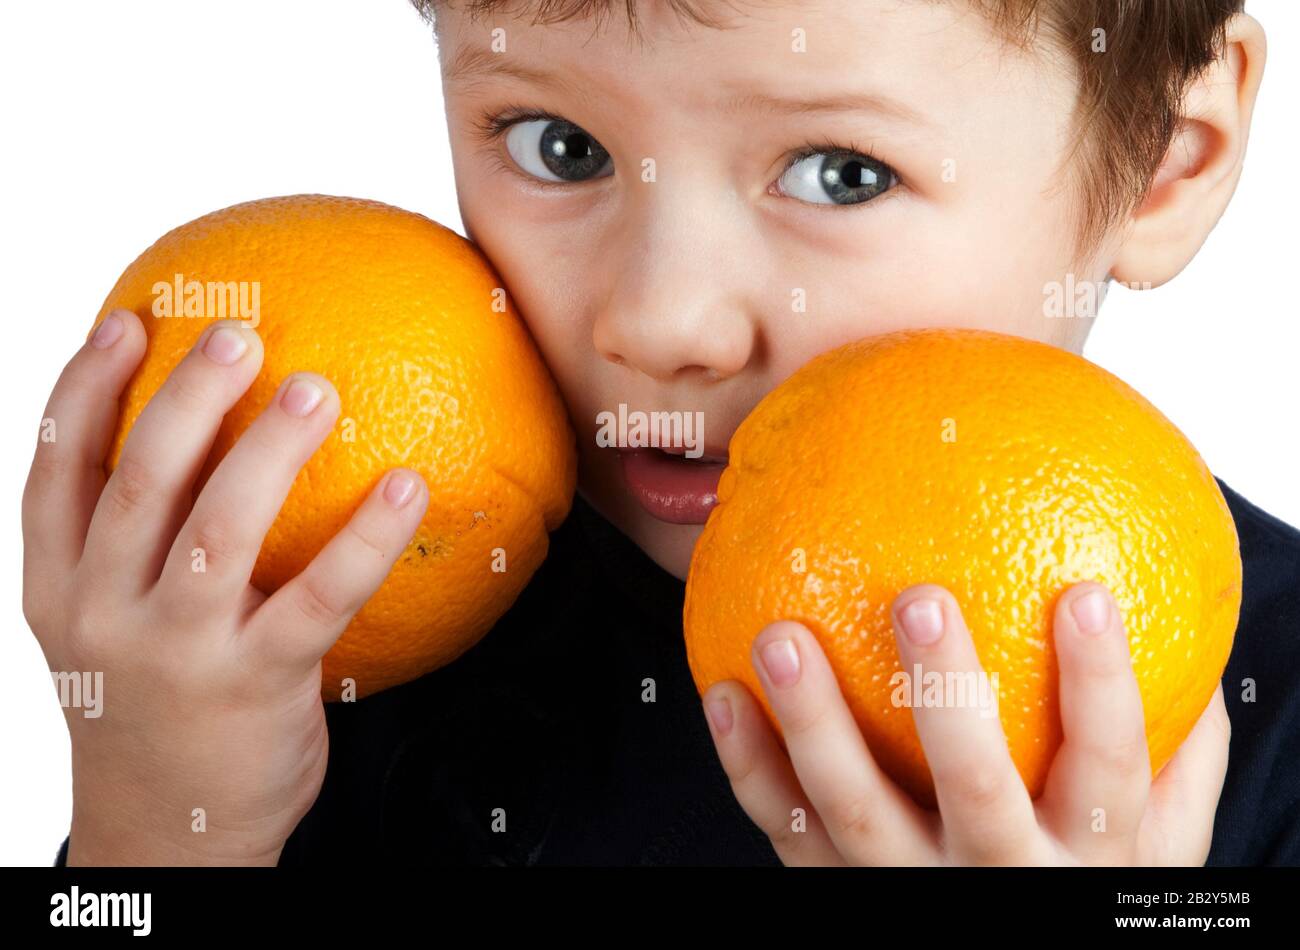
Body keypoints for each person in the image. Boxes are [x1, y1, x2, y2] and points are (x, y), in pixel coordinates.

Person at [26, 0, 1298, 865]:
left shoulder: (1276, 726)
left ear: (1164, 162)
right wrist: (157, 819)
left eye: (840, 172)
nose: (658, 319)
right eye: (560, 146)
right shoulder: (312, 621)